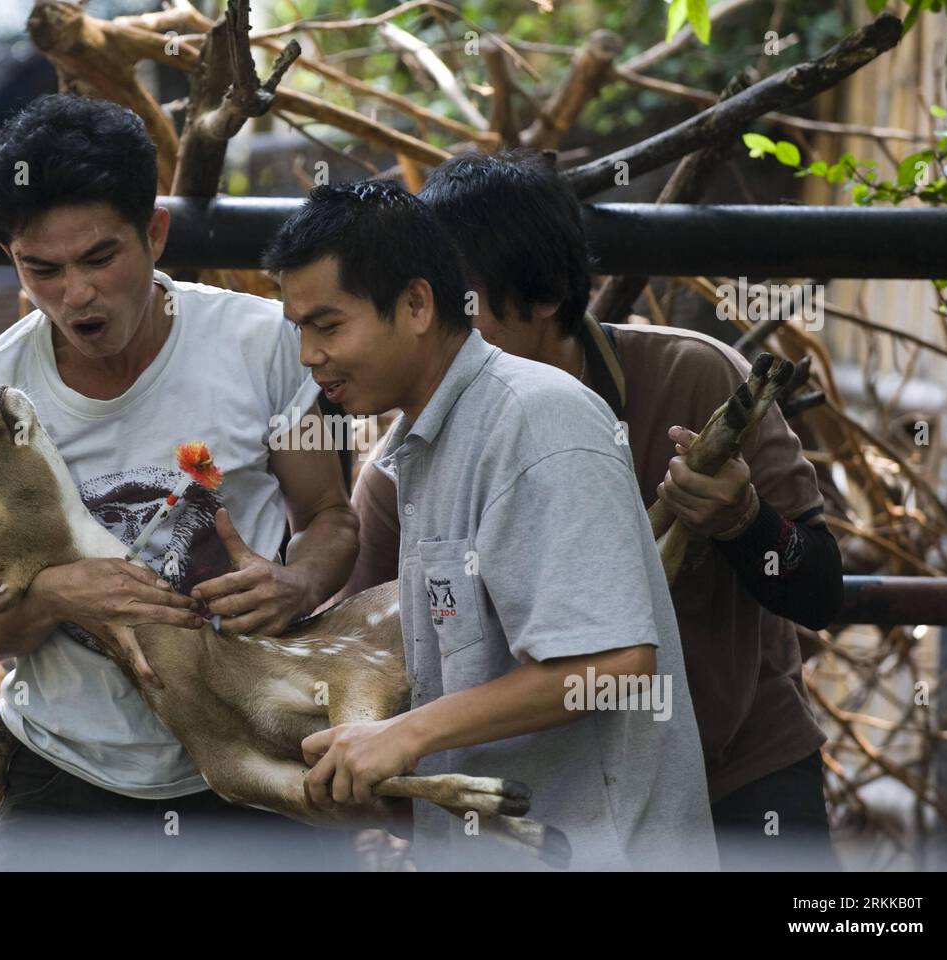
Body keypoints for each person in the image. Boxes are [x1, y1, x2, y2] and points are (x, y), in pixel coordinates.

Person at [339, 150, 844, 870]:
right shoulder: (406, 460)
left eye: (465, 302)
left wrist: (745, 522)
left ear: (543, 294)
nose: (436, 327)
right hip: (558, 807)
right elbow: (360, 640)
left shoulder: (695, 377)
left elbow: (820, 589)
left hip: (738, 771)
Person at [0, 94, 359, 870]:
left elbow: (330, 518)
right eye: (42, 270)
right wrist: (58, 593)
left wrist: (294, 586)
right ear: (8, 257)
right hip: (66, 777)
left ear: (155, 231)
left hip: (253, 757)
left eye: (100, 258)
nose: (76, 295)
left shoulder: (261, 343)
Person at [263, 179, 718, 871]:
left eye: (328, 324)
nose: (308, 354)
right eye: (299, 328)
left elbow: (615, 663)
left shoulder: (536, 418)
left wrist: (405, 734)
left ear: (417, 304)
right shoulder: (421, 444)